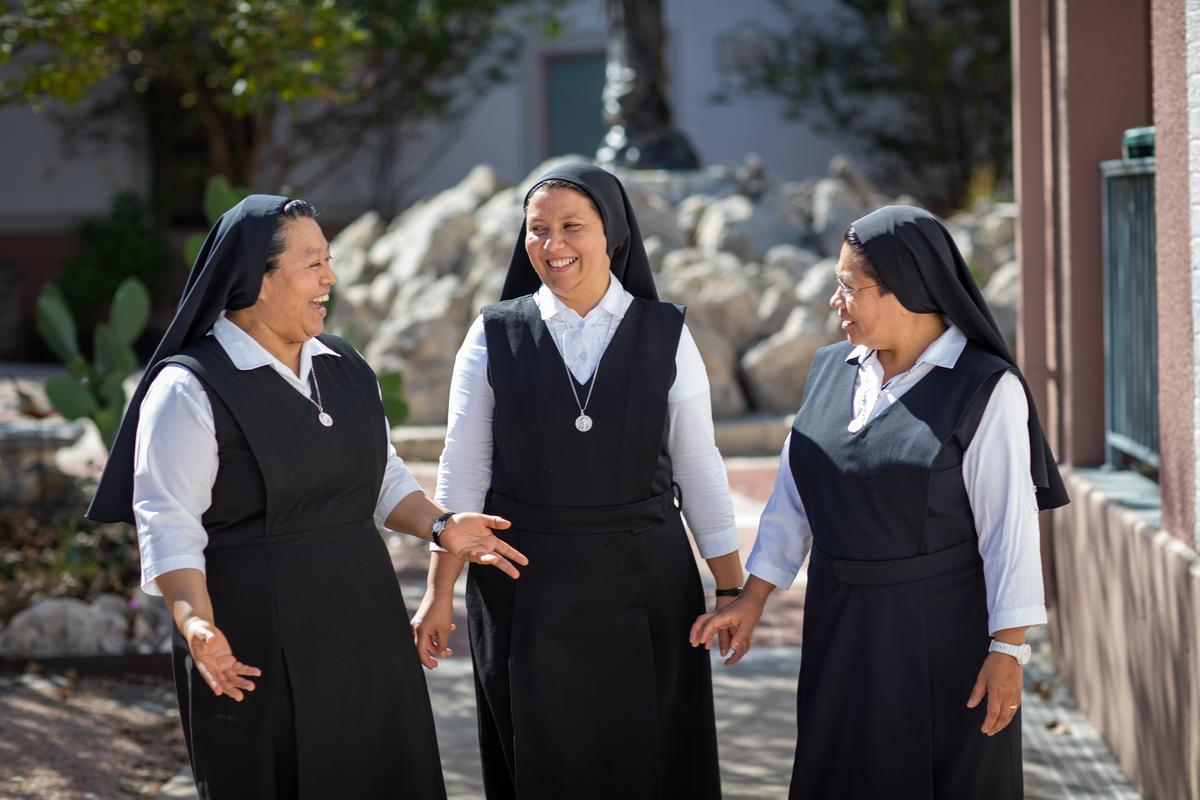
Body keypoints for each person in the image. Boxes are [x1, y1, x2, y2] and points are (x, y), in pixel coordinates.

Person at [87, 195, 528, 799]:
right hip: (253, 639)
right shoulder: (189, 388)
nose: (331, 278)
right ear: (258, 280)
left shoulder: (346, 365)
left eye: (329, 260)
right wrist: (194, 623)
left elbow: (382, 477)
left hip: (366, 628)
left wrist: (440, 525)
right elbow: (168, 521)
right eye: (313, 262)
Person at [691, 205, 1070, 799]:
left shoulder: (984, 388)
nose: (835, 302)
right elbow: (793, 502)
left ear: (907, 290)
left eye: (848, 286)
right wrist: (753, 598)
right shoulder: (828, 371)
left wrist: (1008, 651)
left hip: (941, 636)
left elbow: (1009, 532)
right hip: (840, 625)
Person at [412, 163, 743, 799]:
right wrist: (439, 590)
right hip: (524, 584)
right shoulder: (492, 335)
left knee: (650, 757)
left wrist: (730, 588)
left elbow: (700, 469)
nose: (553, 244)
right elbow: (463, 468)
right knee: (542, 761)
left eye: (572, 227)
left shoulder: (666, 333)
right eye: (537, 230)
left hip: (647, 583)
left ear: (611, 233)